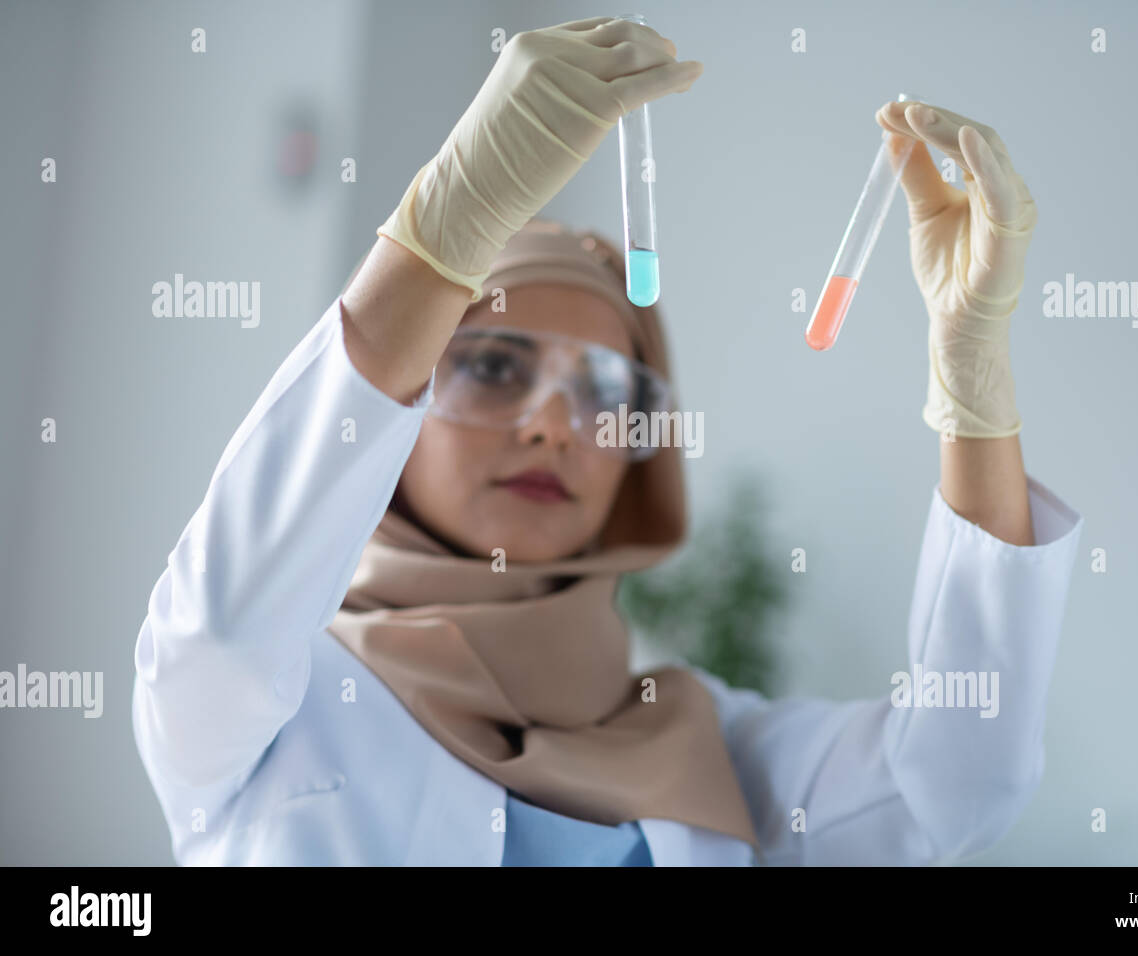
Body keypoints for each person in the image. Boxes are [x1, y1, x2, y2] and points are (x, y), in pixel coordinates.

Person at [131, 16, 1083, 866]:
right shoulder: (284, 700)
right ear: (403, 405)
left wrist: (975, 393)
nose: (553, 423)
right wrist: (435, 239)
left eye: (603, 393)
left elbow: (954, 785)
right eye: (495, 364)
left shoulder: (704, 743)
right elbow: (216, 636)